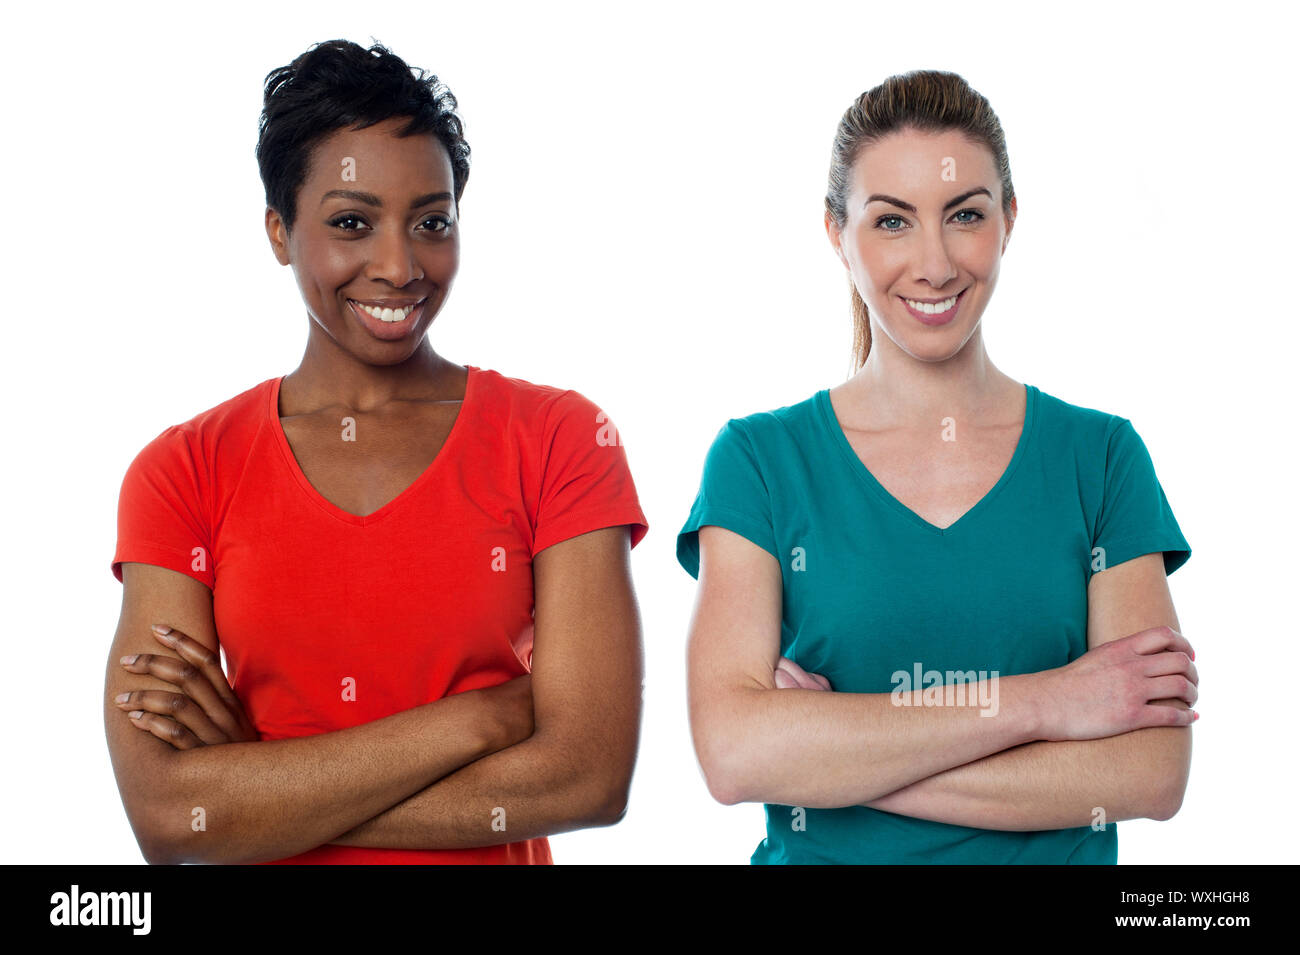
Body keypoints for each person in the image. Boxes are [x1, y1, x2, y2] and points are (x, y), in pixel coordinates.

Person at [104, 39, 648, 865]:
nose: (398, 267)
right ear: (279, 233)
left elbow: (588, 777)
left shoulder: (559, 439)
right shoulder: (183, 472)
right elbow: (170, 819)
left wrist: (254, 785)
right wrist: (488, 717)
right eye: (351, 223)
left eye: (431, 222)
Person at [676, 69, 1196, 864]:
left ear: (1009, 219)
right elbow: (734, 755)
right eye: (891, 221)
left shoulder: (1102, 459)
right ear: (835, 233)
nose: (935, 263)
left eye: (965, 216)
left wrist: (836, 755)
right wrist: (1052, 701)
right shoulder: (759, 462)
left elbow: (1151, 771)